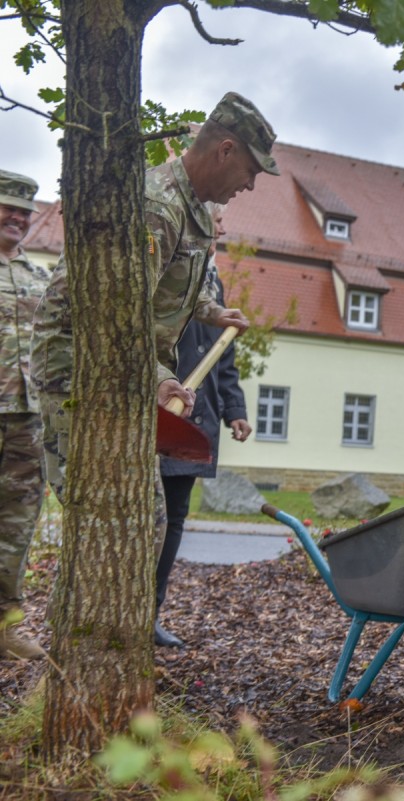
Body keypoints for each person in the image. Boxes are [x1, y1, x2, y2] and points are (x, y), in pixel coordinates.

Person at [30, 92, 276, 641]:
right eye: (251, 171)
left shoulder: (189, 210)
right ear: (225, 150)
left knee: (142, 518)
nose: (251, 186)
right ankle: (80, 647)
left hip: (119, 365)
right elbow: (117, 314)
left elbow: (165, 287)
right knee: (109, 512)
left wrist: (211, 311)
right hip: (75, 364)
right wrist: (162, 378)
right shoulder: (158, 206)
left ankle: (105, 642)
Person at [154, 205, 252, 648]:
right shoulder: (170, 264)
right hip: (161, 410)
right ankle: (125, 609)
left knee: (175, 519)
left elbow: (224, 357)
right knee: (147, 520)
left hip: (199, 418)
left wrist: (236, 409)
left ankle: (150, 613)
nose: (225, 225)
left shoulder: (213, 279)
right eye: (218, 216)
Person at [0, 171, 51, 660]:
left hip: (27, 418)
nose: (17, 217)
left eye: (24, 212)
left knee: (16, 525)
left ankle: (6, 626)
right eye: (8, 207)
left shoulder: (40, 278)